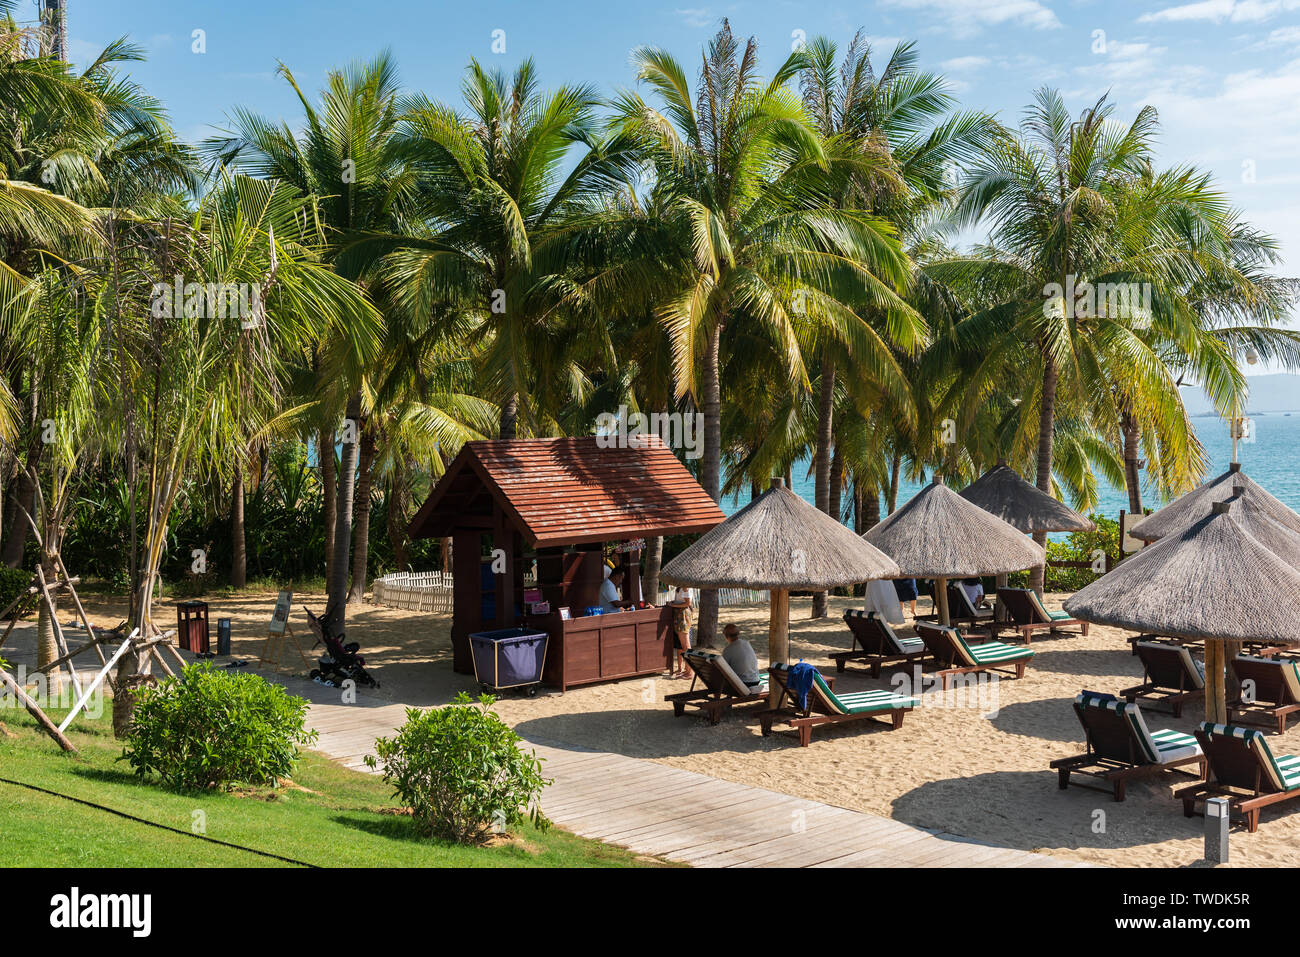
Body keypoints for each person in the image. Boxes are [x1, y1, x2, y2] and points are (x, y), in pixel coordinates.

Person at [721, 623, 761, 690]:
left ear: (725, 636)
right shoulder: (746, 643)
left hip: (743, 683)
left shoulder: (728, 649)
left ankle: (718, 696)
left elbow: (723, 667)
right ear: (738, 634)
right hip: (756, 680)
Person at [668, 586, 694, 678]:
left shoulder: (685, 587)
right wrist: (673, 603)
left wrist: (673, 605)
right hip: (680, 615)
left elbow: (687, 603)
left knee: (686, 646)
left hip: (683, 616)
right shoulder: (680, 587)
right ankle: (687, 670)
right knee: (683, 646)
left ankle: (689, 672)